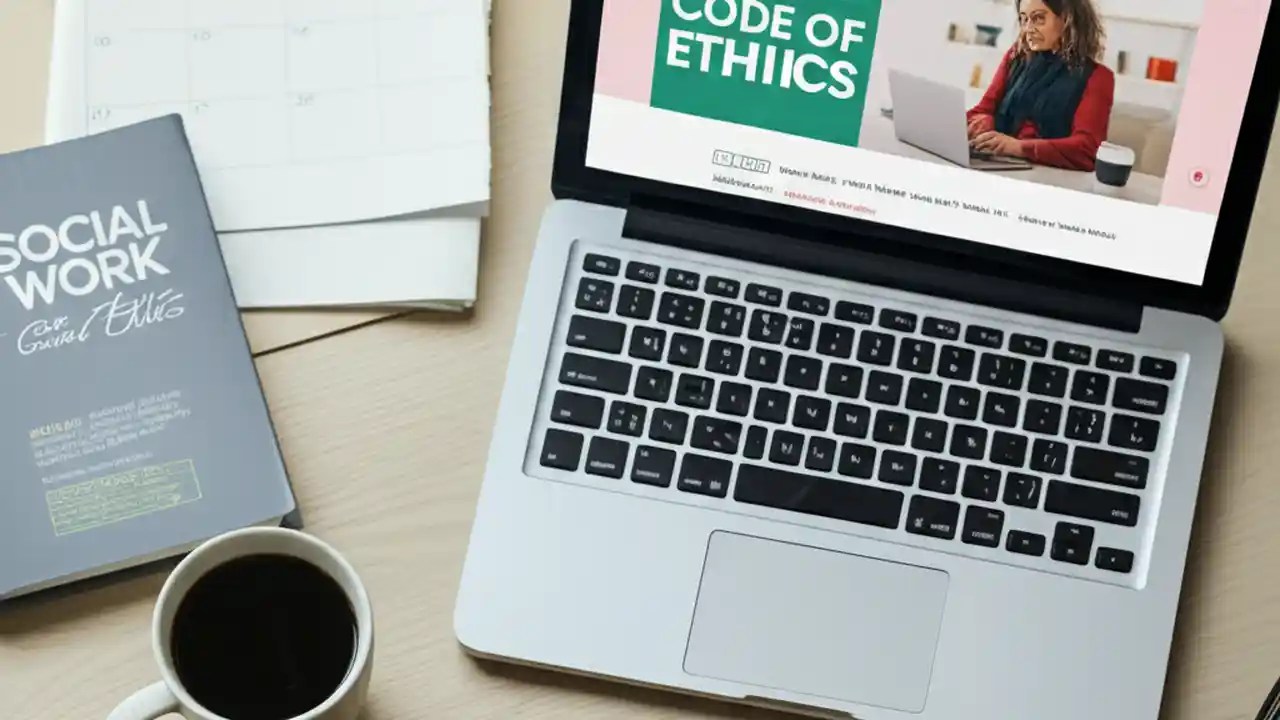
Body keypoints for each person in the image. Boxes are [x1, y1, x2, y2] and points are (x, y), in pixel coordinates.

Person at [966, 0, 1115, 171]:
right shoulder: (1015, 58)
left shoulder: (1098, 77)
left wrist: (1018, 147)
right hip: (999, 166)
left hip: (1050, 178)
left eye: (1038, 18)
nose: (1028, 28)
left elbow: (1086, 149)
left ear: (1067, 19)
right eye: (1023, 19)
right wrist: (985, 120)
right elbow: (983, 109)